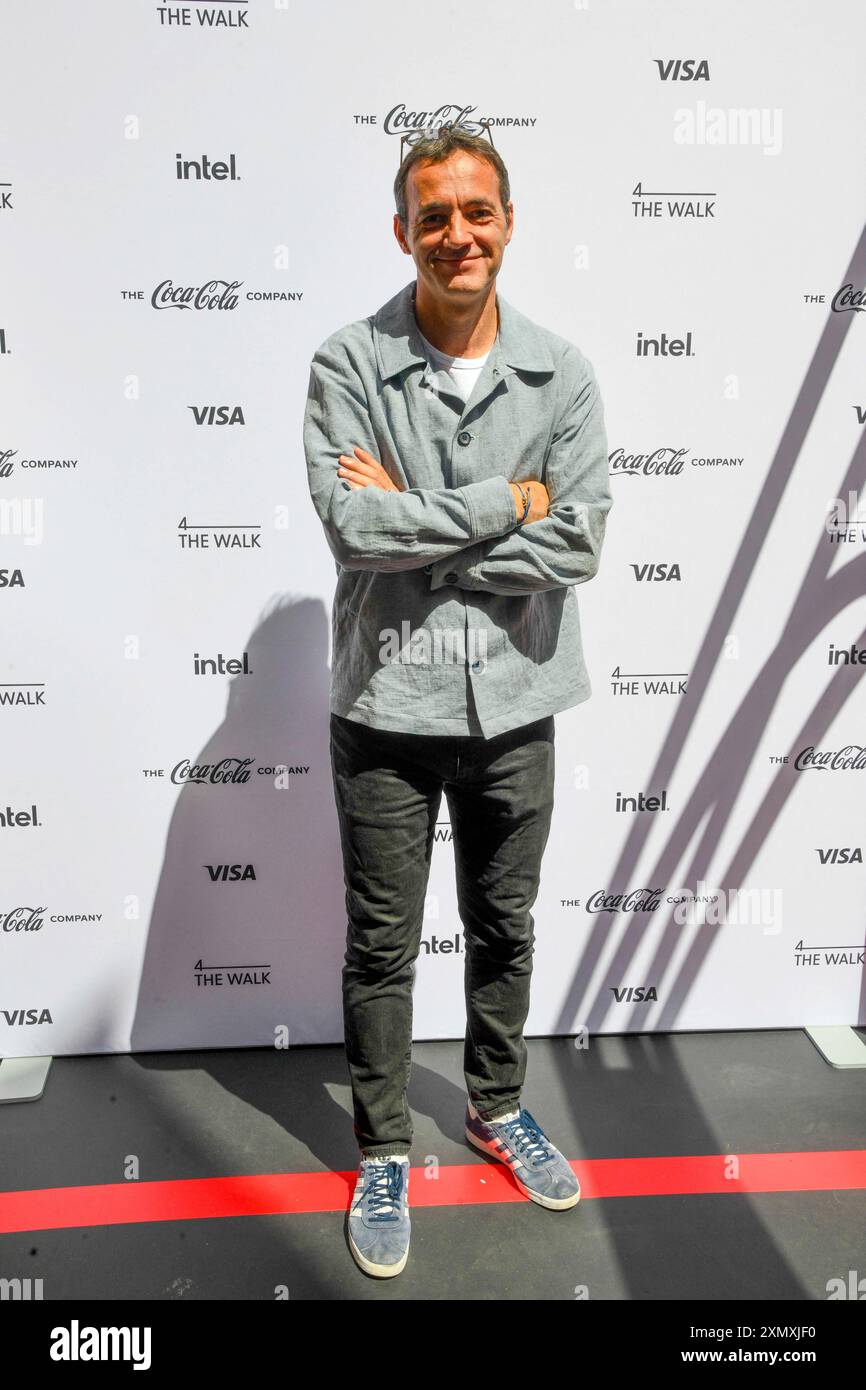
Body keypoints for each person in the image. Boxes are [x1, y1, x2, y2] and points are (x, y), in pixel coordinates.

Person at [303, 123, 612, 1278]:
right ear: (402, 232)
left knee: (504, 927)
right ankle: (383, 1144)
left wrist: (425, 530)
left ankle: (495, 1103)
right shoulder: (346, 365)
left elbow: (575, 543)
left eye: (474, 211)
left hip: (517, 701)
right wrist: (506, 501)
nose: (455, 235)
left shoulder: (562, 371)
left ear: (507, 221)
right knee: (382, 945)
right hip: (384, 703)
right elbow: (351, 526)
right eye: (431, 216)